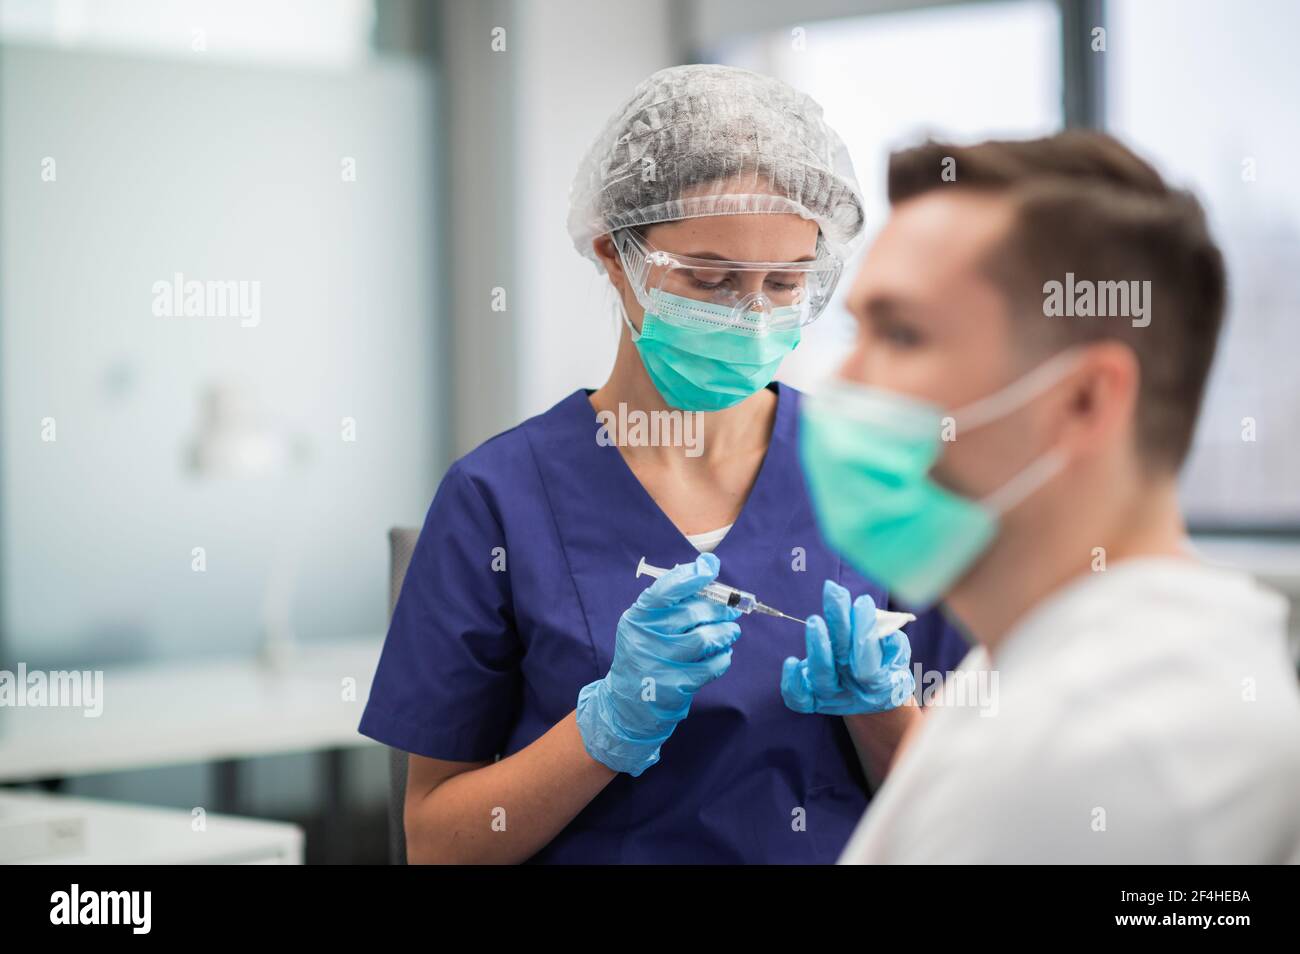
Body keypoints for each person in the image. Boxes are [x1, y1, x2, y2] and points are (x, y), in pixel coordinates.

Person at [357, 64, 967, 864]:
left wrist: (880, 712)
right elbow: (438, 843)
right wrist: (607, 726)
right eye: (711, 279)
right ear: (617, 255)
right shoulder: (497, 500)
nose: (752, 316)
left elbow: (959, 817)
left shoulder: (881, 479)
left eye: (786, 283)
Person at [792, 130, 1300, 863]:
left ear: (1085, 401)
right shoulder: (1045, 658)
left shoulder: (1106, 750)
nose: (840, 386)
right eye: (856, 331)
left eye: (902, 334)